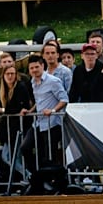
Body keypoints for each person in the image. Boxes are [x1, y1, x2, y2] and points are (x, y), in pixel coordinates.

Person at [26, 56, 69, 194]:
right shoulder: (32, 82)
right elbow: (39, 102)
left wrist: (53, 110)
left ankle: (54, 182)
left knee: (48, 155)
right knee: (25, 147)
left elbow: (64, 99)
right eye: (31, 68)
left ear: (42, 66)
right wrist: (30, 110)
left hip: (52, 123)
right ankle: (38, 176)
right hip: (38, 123)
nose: (34, 70)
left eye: (36, 67)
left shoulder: (53, 81)